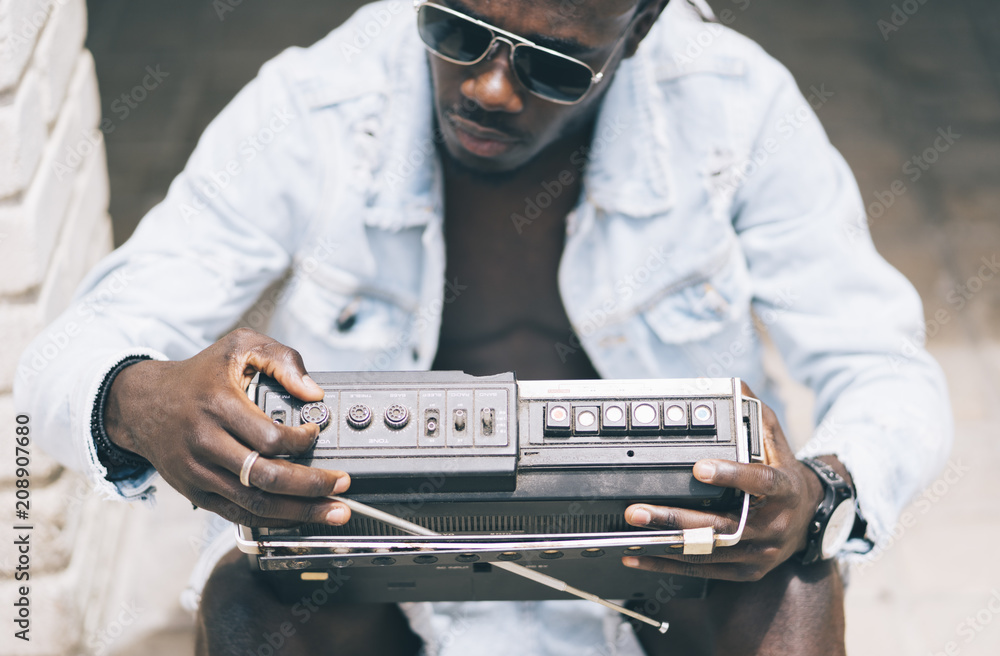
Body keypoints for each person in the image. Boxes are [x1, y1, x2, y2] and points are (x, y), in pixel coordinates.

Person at [15, 0, 952, 654]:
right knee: (256, 602)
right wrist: (137, 399)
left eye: (552, 64)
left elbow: (883, 369)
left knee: (791, 586)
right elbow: (59, 360)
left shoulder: (737, 107)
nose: (492, 90)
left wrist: (821, 496)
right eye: (456, 30)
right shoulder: (319, 102)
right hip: (372, 550)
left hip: (661, 556)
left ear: (643, 27)